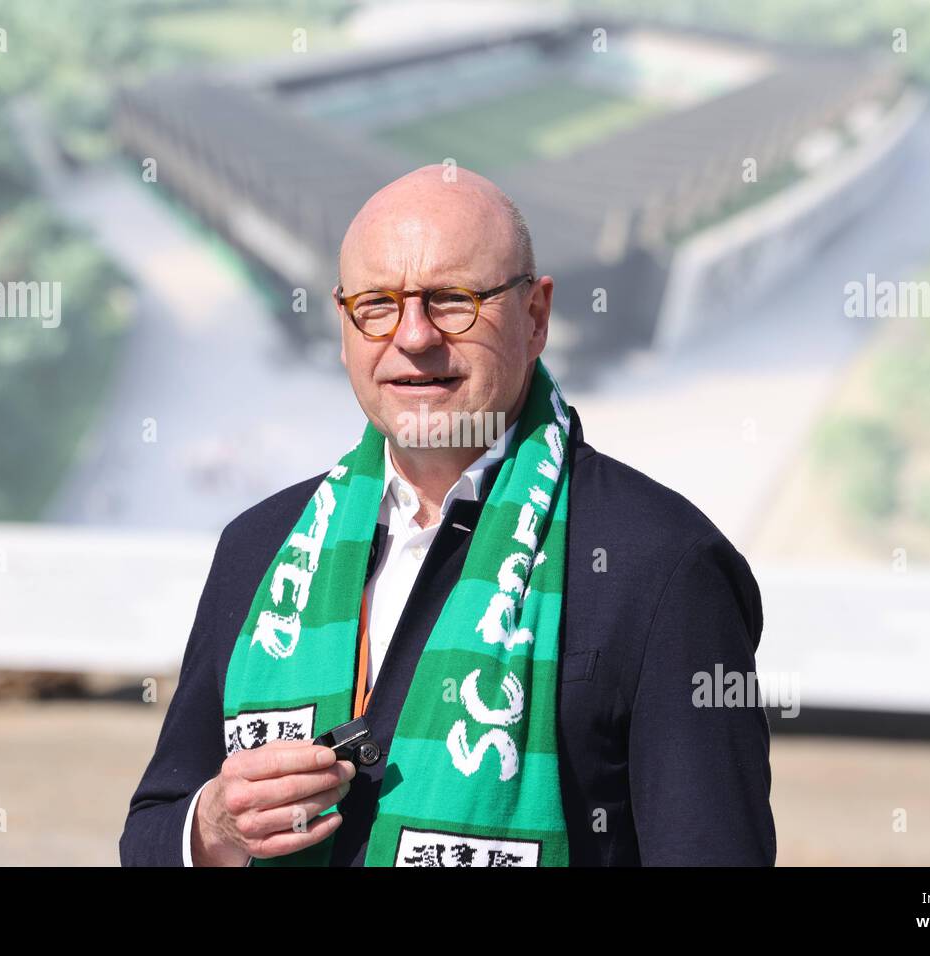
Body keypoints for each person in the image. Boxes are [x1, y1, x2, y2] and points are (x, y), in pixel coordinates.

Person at [120, 165, 776, 866]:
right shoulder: (261, 546)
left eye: (452, 299)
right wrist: (214, 828)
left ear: (535, 316)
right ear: (344, 325)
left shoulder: (661, 564)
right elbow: (155, 831)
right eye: (376, 303)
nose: (412, 336)